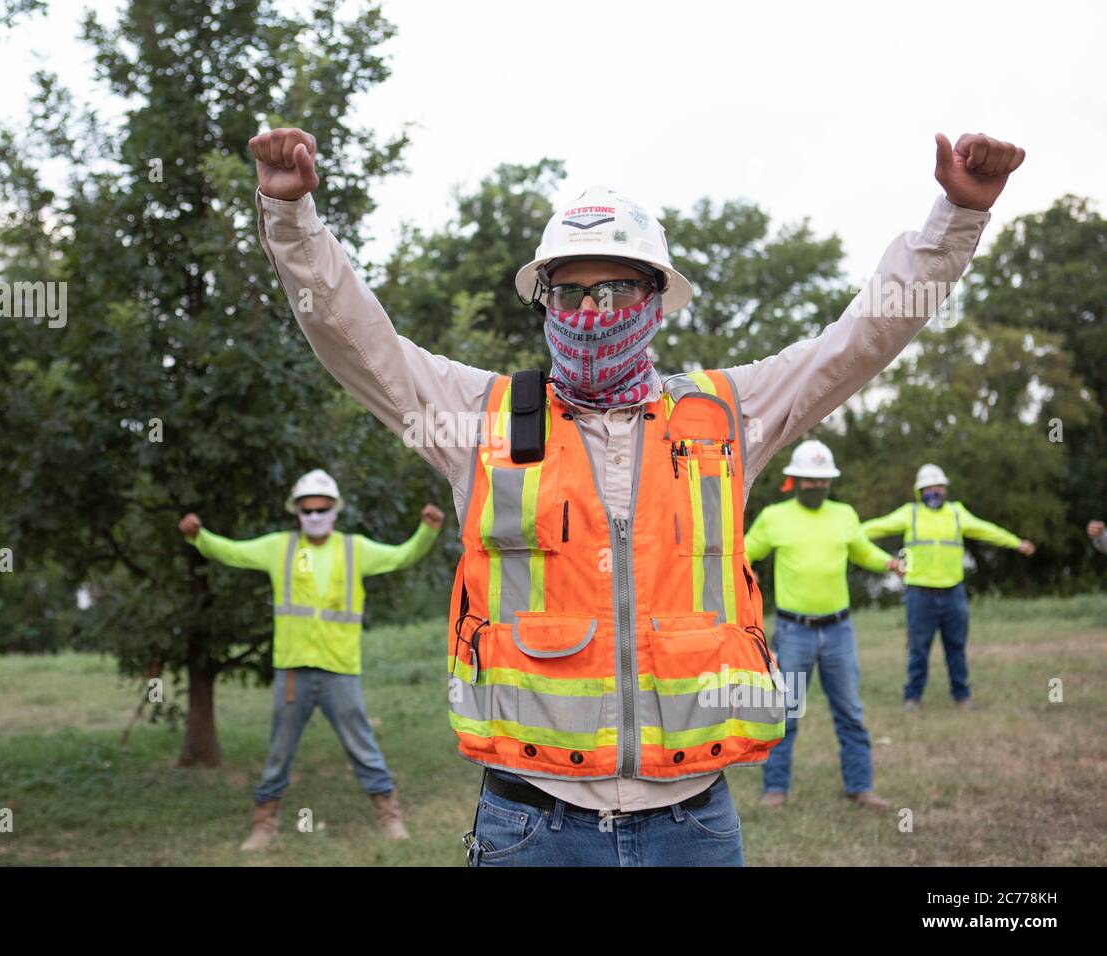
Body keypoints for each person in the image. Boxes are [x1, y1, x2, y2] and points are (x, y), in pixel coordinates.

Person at [247, 125, 1023, 866]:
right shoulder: (477, 420)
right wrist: (290, 214)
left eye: (616, 290)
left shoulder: (725, 418)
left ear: (656, 299)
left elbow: (858, 340)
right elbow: (356, 339)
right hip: (532, 822)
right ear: (545, 300)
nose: (591, 314)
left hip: (693, 823)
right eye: (570, 291)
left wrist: (957, 218)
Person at [177, 468, 444, 850]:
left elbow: (402, 557)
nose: (315, 515)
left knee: (362, 746)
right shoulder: (279, 548)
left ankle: (390, 817)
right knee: (279, 751)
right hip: (293, 671)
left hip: (340, 670)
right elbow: (232, 551)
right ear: (297, 512)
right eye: (308, 509)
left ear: (335, 510)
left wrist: (427, 531)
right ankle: (263, 826)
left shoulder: (355, 550)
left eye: (322, 508)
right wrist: (198, 537)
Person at [744, 440, 905, 811]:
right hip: (793, 632)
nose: (816, 486)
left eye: (822, 481)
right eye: (809, 480)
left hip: (839, 632)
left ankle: (860, 788)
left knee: (850, 711)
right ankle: (775, 790)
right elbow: (745, 552)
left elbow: (863, 551)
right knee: (786, 712)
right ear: (794, 481)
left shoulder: (844, 514)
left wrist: (889, 564)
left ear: (830, 482)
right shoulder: (774, 517)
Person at [862, 463, 1034, 710]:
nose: (935, 491)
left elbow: (987, 531)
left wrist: (1016, 543)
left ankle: (962, 696)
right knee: (918, 650)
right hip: (919, 595)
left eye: (939, 486)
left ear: (945, 489)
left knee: (956, 648)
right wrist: (843, 534)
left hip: (954, 593)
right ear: (919, 491)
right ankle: (912, 697)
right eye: (929, 487)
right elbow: (874, 527)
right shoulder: (909, 513)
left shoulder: (956, 513)